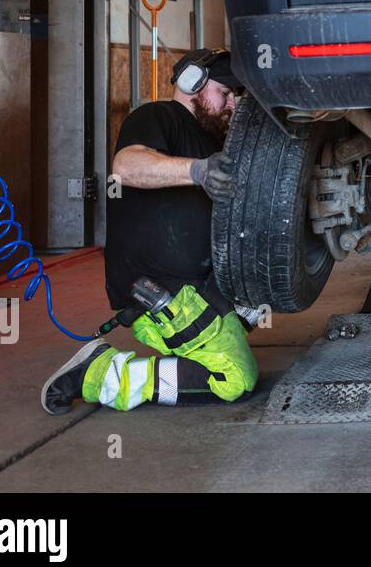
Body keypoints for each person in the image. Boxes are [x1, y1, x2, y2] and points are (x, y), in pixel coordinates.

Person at [41, 48, 257, 413]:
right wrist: (197, 172)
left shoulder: (212, 142)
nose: (232, 104)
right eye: (226, 92)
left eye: (238, 96)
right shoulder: (157, 116)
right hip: (163, 292)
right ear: (194, 82)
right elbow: (127, 166)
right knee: (234, 377)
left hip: (200, 287)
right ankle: (97, 372)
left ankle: (217, 331)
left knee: (254, 305)